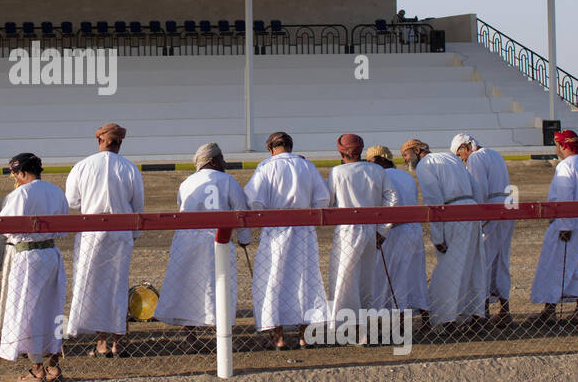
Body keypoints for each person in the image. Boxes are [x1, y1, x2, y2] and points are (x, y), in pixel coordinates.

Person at [154, 143, 251, 349]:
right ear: (213, 160)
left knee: (188, 286)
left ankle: (190, 337)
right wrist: (244, 239)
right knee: (220, 284)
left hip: (188, 242)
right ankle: (222, 336)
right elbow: (241, 210)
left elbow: (181, 210)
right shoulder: (228, 181)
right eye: (222, 158)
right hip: (218, 241)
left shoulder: (187, 183)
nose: (225, 162)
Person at [243, 131, 330, 348]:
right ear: (290, 146)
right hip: (303, 230)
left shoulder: (267, 166)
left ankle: (278, 335)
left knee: (273, 279)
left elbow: (253, 199)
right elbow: (323, 198)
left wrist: (264, 217)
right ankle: (303, 334)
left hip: (276, 230)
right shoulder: (306, 166)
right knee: (306, 278)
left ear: (271, 149)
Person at [65, 123, 145, 357]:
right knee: (117, 286)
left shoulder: (82, 167)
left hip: (91, 234)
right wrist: (134, 235)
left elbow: (72, 202)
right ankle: (118, 341)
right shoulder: (130, 169)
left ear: (98, 140)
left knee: (92, 285)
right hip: (120, 235)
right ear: (120, 142)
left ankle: (100, 342)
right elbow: (137, 206)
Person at [0, 152, 69, 382]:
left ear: (22, 172)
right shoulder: (56, 191)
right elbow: (63, 226)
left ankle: (37, 368)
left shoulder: (20, 194)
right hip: (51, 253)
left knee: (28, 310)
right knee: (53, 307)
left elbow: (5, 226)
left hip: (27, 256)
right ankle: (54, 365)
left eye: (15, 174)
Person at [400, 139, 485, 332]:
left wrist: (438, 237)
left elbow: (434, 200)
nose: (405, 160)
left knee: (449, 267)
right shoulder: (449, 157)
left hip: (452, 213)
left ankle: (444, 320)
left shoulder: (425, 166)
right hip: (472, 209)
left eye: (406, 155)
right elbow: (474, 184)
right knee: (473, 263)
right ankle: (474, 314)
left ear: (417, 150)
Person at [327, 134, 398, 336]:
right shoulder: (377, 170)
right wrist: (383, 229)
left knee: (344, 279)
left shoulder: (337, 172)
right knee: (367, 279)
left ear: (341, 152)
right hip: (371, 230)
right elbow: (392, 197)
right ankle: (364, 326)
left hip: (347, 231)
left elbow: (329, 202)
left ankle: (347, 328)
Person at [529, 130, 578, 326]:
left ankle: (550, 310)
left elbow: (565, 197)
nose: (555, 149)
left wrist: (565, 226)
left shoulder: (565, 167)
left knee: (556, 265)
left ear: (562, 146)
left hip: (567, 225)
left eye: (556, 145)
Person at [452, 133, 514, 326]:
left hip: (490, 211)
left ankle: (483, 312)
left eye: (459, 153)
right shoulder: (495, 154)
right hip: (507, 208)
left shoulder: (475, 158)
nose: (461, 158)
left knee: (483, 262)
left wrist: (476, 217)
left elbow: (480, 190)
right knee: (501, 260)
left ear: (465, 147)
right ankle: (505, 310)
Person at [367, 146, 429, 320]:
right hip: (414, 229)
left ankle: (398, 319)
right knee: (416, 274)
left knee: (393, 277)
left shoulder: (380, 176)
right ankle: (425, 317)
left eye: (371, 161)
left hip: (393, 230)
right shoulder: (406, 176)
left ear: (380, 160)